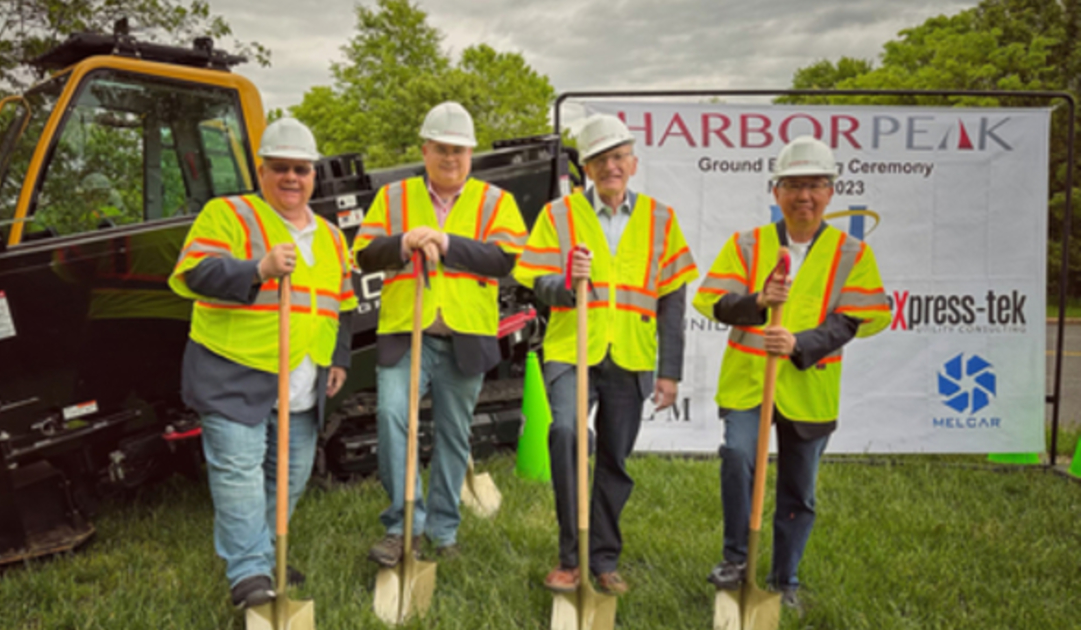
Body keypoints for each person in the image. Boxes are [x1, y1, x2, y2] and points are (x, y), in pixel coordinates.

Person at [694, 135, 891, 611]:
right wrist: (758, 304)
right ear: (776, 191)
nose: (805, 195)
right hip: (748, 382)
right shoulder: (747, 244)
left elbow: (859, 316)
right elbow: (713, 301)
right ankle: (737, 561)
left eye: (816, 185)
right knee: (738, 458)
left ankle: (786, 581)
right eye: (794, 185)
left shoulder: (851, 253)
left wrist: (801, 343)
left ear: (830, 192)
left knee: (799, 490)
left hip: (810, 386)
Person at [168, 118, 357, 609]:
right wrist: (258, 269)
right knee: (238, 471)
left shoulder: (333, 237)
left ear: (314, 174)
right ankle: (249, 572)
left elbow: (342, 302)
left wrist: (336, 358)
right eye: (280, 168)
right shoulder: (228, 213)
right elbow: (195, 272)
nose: (291, 178)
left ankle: (265, 552)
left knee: (290, 475)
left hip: (303, 377)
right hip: (234, 369)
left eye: (301, 169)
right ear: (262, 170)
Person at [514, 114, 698, 595]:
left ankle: (604, 560)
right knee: (568, 433)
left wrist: (670, 372)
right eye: (600, 159)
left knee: (615, 458)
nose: (611, 166)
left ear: (633, 162)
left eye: (619, 157)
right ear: (588, 169)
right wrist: (567, 284)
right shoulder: (559, 214)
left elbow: (672, 300)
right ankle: (570, 558)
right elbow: (535, 283)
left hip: (632, 355)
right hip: (569, 349)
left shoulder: (661, 218)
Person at [353, 101, 527, 566]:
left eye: (460, 151)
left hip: (465, 337)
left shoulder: (496, 201)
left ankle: (444, 532)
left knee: (453, 434)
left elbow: (507, 259)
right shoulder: (393, 198)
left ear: (471, 155)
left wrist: (447, 244)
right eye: (443, 149)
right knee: (393, 418)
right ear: (425, 149)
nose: (451, 158)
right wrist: (403, 241)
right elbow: (364, 255)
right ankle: (402, 527)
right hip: (406, 333)